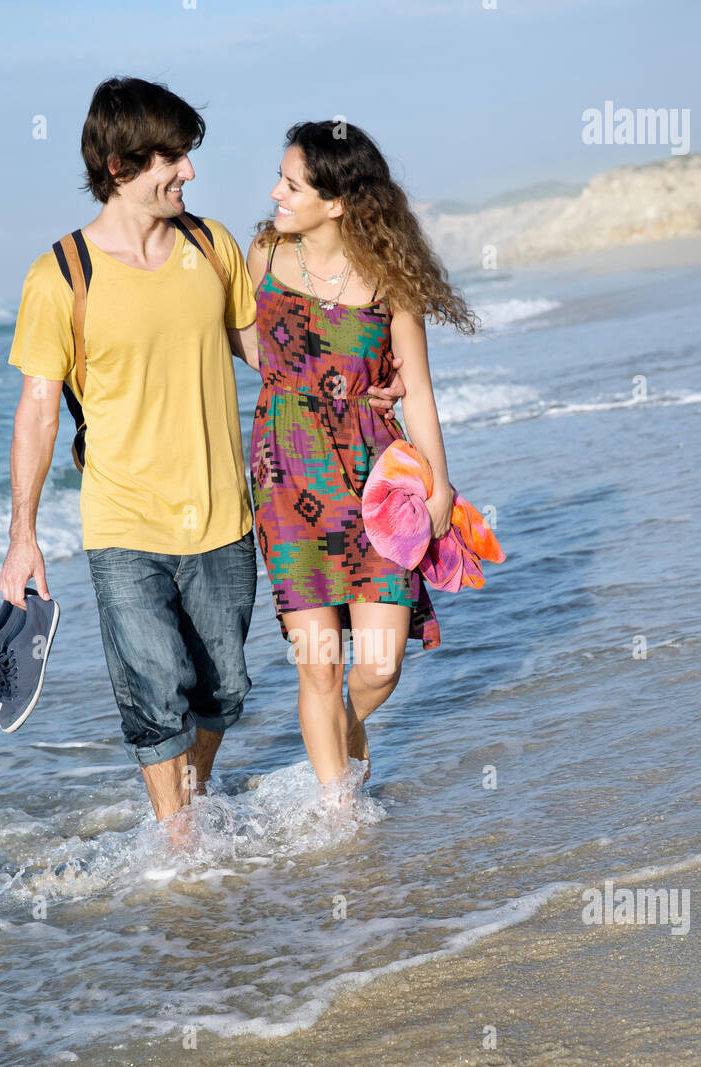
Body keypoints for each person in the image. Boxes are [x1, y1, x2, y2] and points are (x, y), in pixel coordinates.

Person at [1, 79, 402, 830]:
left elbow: (273, 357)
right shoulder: (61, 276)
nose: (189, 171)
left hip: (225, 513)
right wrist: (23, 536)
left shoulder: (211, 246)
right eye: (174, 158)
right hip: (123, 521)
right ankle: (180, 846)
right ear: (122, 167)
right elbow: (37, 410)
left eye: (188, 156)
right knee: (155, 692)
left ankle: (194, 795)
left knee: (221, 691)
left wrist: (371, 381)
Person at [245, 121, 478, 786]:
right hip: (284, 477)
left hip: (372, 479)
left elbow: (421, 394)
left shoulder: (388, 282)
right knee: (315, 661)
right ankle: (340, 820)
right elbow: (244, 340)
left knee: (380, 663)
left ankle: (347, 722)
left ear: (337, 201)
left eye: (292, 185)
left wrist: (440, 488)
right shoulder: (265, 253)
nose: (275, 192)